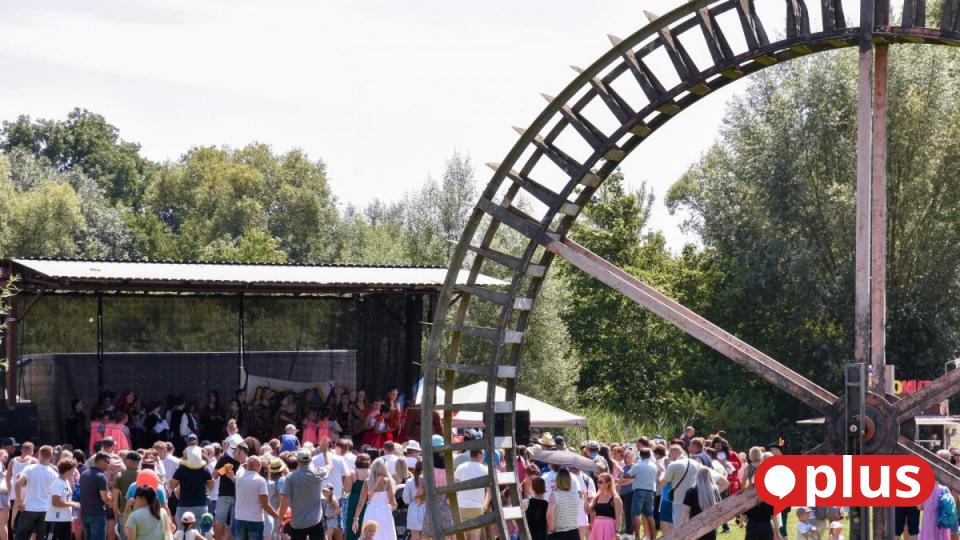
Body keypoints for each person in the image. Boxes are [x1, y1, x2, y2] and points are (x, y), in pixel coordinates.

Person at [277, 449, 329, 540]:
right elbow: (329, 466)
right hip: (315, 521)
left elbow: (285, 500)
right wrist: (325, 452)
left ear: (298, 460)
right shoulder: (318, 473)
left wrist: (280, 519)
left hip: (298, 523)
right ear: (310, 460)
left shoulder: (290, 477)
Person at [15, 444, 58, 540]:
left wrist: (20, 502)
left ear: (39, 454)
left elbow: (18, 484)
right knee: (41, 537)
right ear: (50, 456)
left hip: (29, 508)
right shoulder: (54, 474)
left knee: (21, 537)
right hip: (45, 509)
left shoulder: (29, 469)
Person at [234, 456, 279, 540]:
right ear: (259, 466)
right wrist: (278, 517)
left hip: (239, 519)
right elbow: (265, 505)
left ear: (247, 465)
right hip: (255, 520)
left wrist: (246, 464)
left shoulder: (239, 475)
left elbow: (241, 467)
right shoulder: (260, 480)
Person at [170, 446, 214, 528]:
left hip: (184, 505)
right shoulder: (204, 469)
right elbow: (211, 483)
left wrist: (176, 489)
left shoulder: (181, 469)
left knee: (183, 534)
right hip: (200, 505)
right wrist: (207, 491)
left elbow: (172, 484)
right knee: (199, 534)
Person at [351, 460, 395, 540]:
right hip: (384, 511)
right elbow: (393, 502)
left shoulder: (367, 482)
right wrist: (392, 507)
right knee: (386, 535)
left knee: (369, 535)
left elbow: (360, 503)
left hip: (370, 510)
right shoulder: (387, 481)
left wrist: (355, 519)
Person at [212, 441, 246, 539]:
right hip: (236, 496)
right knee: (232, 523)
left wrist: (224, 470)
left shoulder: (225, 459)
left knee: (220, 521)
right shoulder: (245, 462)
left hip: (225, 495)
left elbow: (214, 475)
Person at [660, 445, 698, 528]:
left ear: (674, 453)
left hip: (679, 501)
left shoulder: (673, 465)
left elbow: (662, 484)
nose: (668, 456)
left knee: (679, 527)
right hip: (694, 500)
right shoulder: (695, 463)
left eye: (669, 454)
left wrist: (663, 472)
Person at [453, 450, 488, 540]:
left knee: (460, 534)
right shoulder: (484, 469)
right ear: (480, 455)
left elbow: (455, 487)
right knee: (474, 535)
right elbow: (490, 489)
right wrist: (486, 503)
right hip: (477, 506)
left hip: (461, 505)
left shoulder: (461, 467)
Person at [625, 448, 657, 540]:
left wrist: (627, 475)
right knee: (650, 515)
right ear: (649, 455)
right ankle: (653, 537)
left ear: (640, 455)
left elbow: (628, 475)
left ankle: (637, 537)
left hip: (639, 491)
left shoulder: (638, 465)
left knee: (635, 514)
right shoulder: (654, 466)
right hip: (650, 492)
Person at [80, 452, 113, 540]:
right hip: (97, 515)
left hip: (85, 514)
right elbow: (105, 498)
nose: (108, 464)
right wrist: (110, 498)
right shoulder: (101, 476)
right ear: (101, 461)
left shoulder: (83, 474)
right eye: (107, 462)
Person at [46, 458, 79, 540]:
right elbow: (55, 502)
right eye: (73, 469)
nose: (74, 471)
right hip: (55, 520)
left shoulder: (65, 481)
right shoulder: (58, 483)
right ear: (68, 470)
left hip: (65, 519)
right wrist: (73, 504)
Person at [682, 467, 720, 540]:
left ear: (697, 476)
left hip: (695, 525)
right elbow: (718, 508)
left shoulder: (691, 491)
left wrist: (681, 525)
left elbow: (685, 511)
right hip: (711, 524)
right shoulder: (714, 490)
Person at [546, 469, 580, 540]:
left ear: (558, 480)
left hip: (559, 533)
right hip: (574, 533)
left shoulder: (554, 495)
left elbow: (549, 515)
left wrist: (552, 530)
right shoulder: (576, 494)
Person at [345, 454, 372, 540]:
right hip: (368, 500)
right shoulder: (371, 472)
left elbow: (347, 490)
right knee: (365, 523)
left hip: (354, 500)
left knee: (352, 523)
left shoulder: (352, 472)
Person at [588, 473, 621, 540]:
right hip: (596, 526)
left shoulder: (615, 498)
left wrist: (617, 531)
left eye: (600, 482)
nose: (598, 484)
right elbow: (589, 510)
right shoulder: (596, 497)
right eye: (597, 481)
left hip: (609, 527)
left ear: (608, 483)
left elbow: (619, 517)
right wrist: (585, 498)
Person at [402, 461, 425, 540]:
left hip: (413, 509)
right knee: (426, 537)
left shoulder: (409, 482)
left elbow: (406, 500)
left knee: (415, 537)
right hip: (427, 509)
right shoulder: (430, 481)